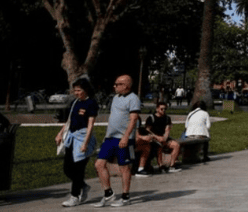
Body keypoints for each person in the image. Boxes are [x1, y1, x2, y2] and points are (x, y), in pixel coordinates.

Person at [93, 74, 141, 207]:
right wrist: (107, 135)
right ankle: (108, 193)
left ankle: (125, 197)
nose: (114, 86)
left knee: (124, 168)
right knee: (99, 164)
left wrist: (126, 136)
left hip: (123, 139)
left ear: (125, 85)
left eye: (117, 84)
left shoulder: (133, 99)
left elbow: (133, 119)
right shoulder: (115, 98)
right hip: (110, 138)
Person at [55, 77, 98, 207]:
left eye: (79, 90)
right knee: (67, 168)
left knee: (78, 168)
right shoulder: (75, 103)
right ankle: (83, 186)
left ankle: (74, 196)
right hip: (71, 138)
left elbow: (90, 125)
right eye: (75, 90)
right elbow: (69, 121)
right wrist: (60, 133)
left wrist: (85, 143)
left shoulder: (91, 103)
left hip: (83, 137)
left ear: (85, 90)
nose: (76, 93)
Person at [134, 101, 181, 176]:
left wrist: (164, 138)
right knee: (158, 146)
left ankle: (172, 166)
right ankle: (160, 166)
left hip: (164, 138)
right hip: (154, 138)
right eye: (161, 109)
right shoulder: (151, 118)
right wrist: (157, 137)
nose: (163, 111)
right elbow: (148, 130)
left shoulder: (167, 118)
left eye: (165, 109)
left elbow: (167, 129)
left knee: (176, 145)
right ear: (157, 109)